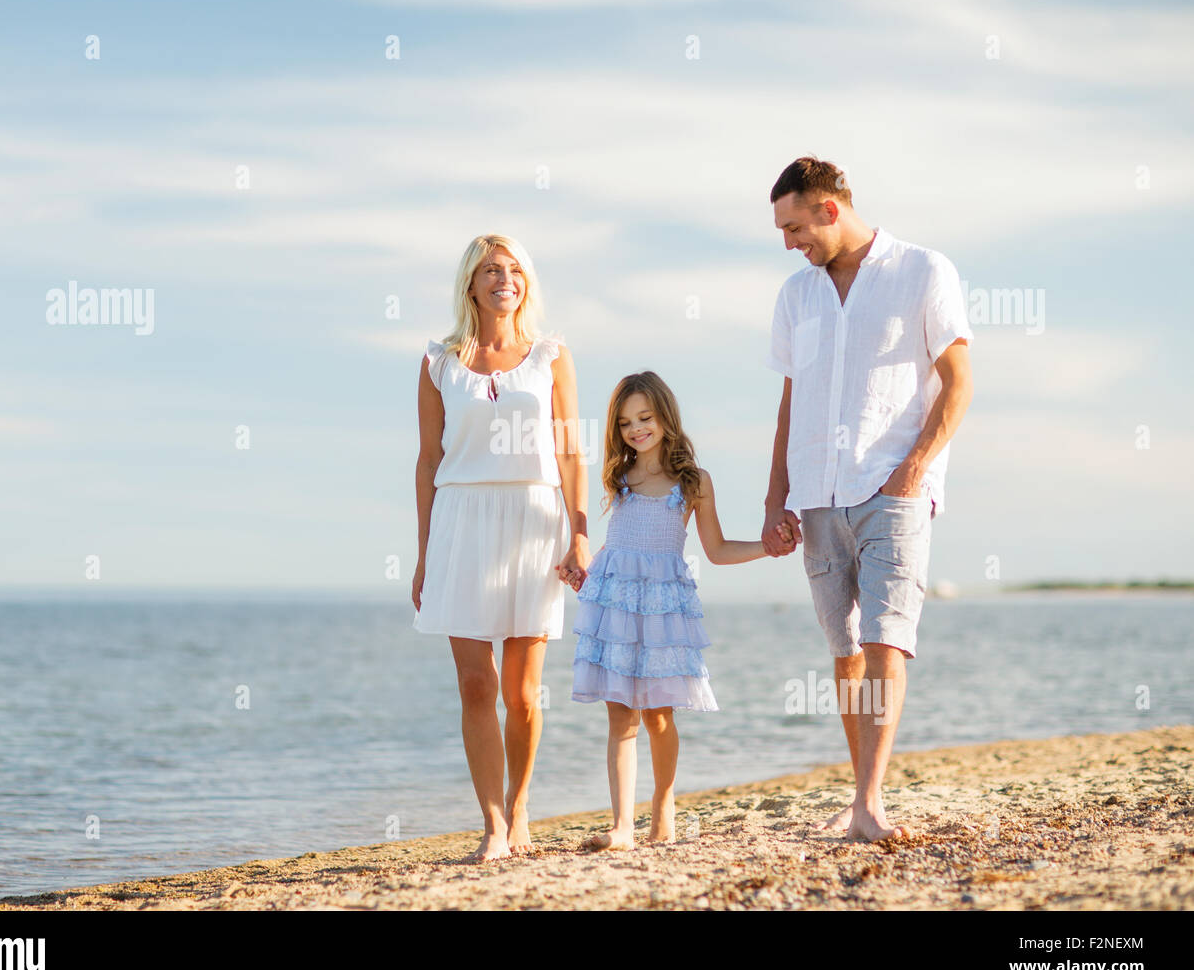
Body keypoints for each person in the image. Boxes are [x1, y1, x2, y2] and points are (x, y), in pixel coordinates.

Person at [761, 156, 974, 842]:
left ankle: (871, 801)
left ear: (829, 208)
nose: (790, 243)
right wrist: (775, 498)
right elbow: (790, 403)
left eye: (795, 227)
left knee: (887, 640)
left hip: (893, 489)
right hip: (818, 495)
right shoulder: (796, 296)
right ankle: (860, 796)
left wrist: (913, 468)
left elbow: (959, 380)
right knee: (845, 650)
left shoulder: (923, 271)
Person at [413, 234, 589, 862]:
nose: (503, 279)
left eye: (513, 270)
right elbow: (429, 458)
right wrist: (424, 552)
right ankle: (491, 824)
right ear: (471, 282)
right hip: (462, 517)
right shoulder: (439, 361)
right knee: (474, 685)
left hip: (532, 516)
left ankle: (519, 809)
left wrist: (580, 533)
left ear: (526, 283)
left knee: (521, 691)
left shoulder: (550, 355)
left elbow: (570, 449)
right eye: (490, 269)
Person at [564, 371, 772, 852]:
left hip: (661, 609)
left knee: (658, 715)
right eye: (625, 423)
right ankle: (621, 826)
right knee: (620, 715)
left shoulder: (693, 482)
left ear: (665, 418)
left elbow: (716, 550)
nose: (636, 429)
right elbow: (616, 551)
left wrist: (767, 547)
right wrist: (583, 574)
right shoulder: (619, 478)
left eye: (645, 418)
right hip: (615, 606)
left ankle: (663, 806)